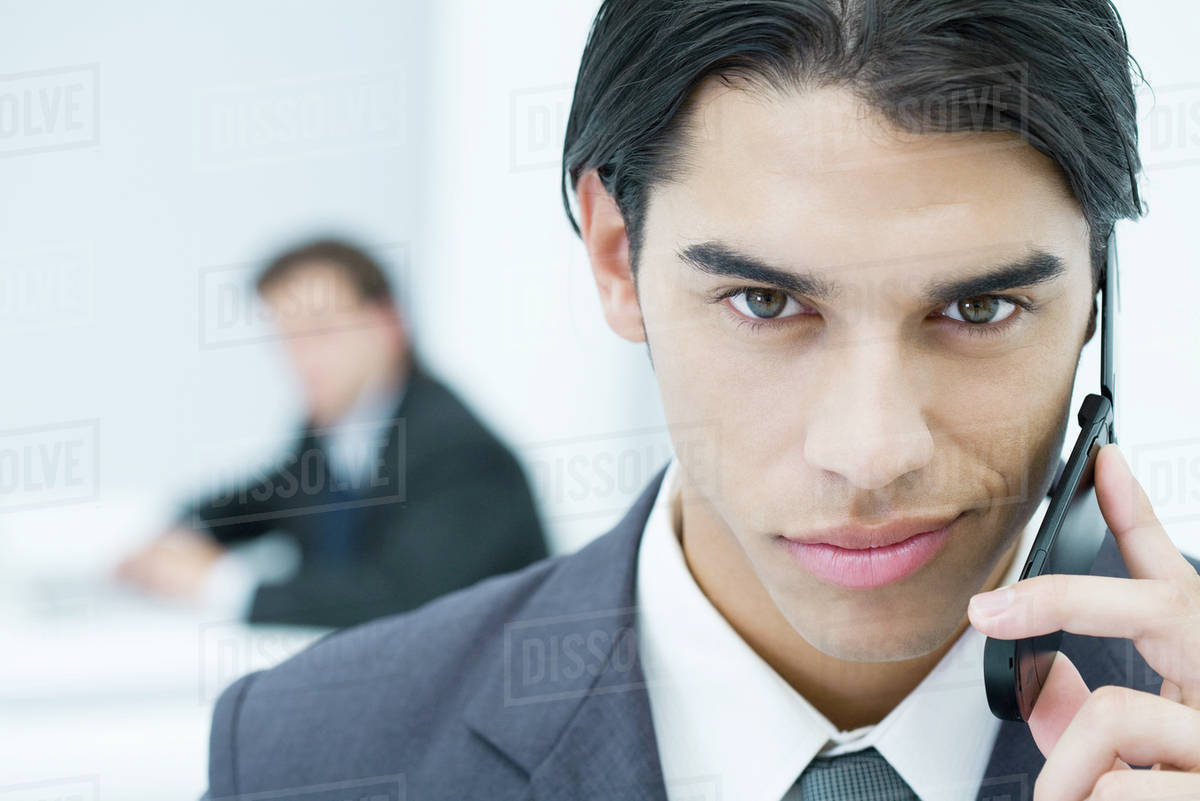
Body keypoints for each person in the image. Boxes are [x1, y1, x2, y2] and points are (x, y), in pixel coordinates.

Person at [204, 3, 1200, 800]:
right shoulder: (309, 755)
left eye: (980, 308)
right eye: (764, 303)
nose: (870, 453)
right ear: (616, 258)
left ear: (1097, 295)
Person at [116, 238, 548, 628]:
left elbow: (403, 600)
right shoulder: (333, 428)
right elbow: (266, 499)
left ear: (388, 325)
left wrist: (221, 584)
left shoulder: (458, 450)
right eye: (286, 337)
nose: (301, 358)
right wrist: (183, 531)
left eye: (320, 332)